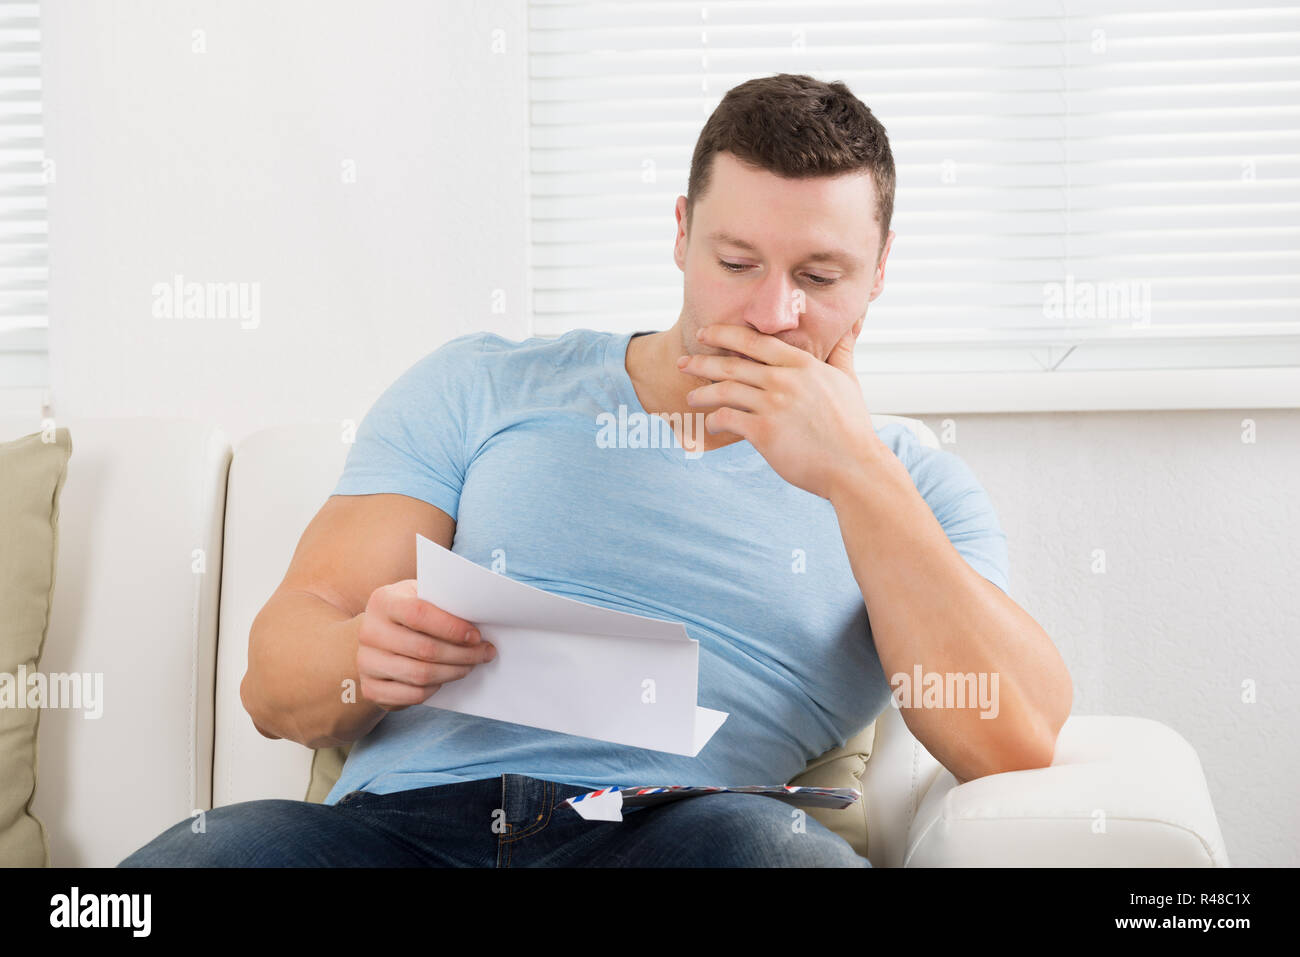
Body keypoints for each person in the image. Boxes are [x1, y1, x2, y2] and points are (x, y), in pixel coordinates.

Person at [120, 72, 1070, 868]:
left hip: (677, 829)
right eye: (736, 261)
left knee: (769, 851)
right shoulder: (483, 385)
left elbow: (1012, 734)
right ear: (680, 235)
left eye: (819, 278)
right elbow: (271, 687)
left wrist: (855, 471)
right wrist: (360, 658)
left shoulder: (911, 483)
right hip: (403, 830)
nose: (773, 313)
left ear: (880, 270)